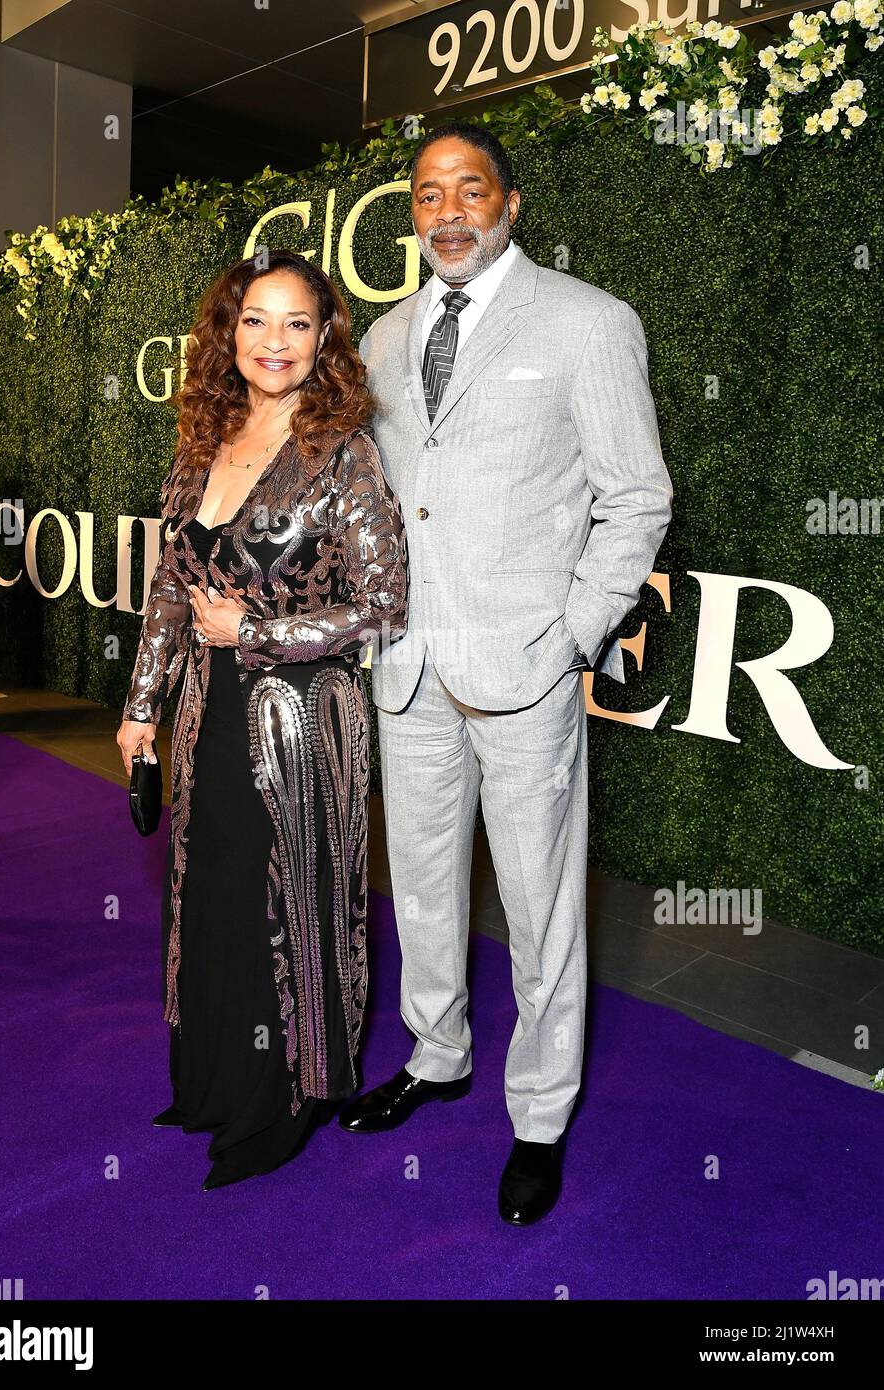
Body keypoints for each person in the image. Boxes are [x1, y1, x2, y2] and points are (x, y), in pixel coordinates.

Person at [338, 122, 673, 1226]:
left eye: (469, 190)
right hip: (409, 665)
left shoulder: (588, 323)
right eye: (428, 195)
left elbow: (638, 497)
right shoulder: (382, 340)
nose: (447, 212)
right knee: (425, 883)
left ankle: (539, 1113)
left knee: (540, 904)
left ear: (511, 204)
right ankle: (437, 1056)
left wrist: (575, 631)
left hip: (527, 668)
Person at [116, 249, 408, 1191]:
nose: (272, 342)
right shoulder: (203, 439)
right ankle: (212, 1082)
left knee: (291, 902)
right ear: (226, 333)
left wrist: (263, 629)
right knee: (210, 893)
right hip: (206, 709)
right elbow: (170, 588)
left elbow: (385, 604)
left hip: (301, 716)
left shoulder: (344, 452)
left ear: (325, 339)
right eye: (254, 321)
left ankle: (283, 1101)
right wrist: (141, 709)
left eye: (295, 323)